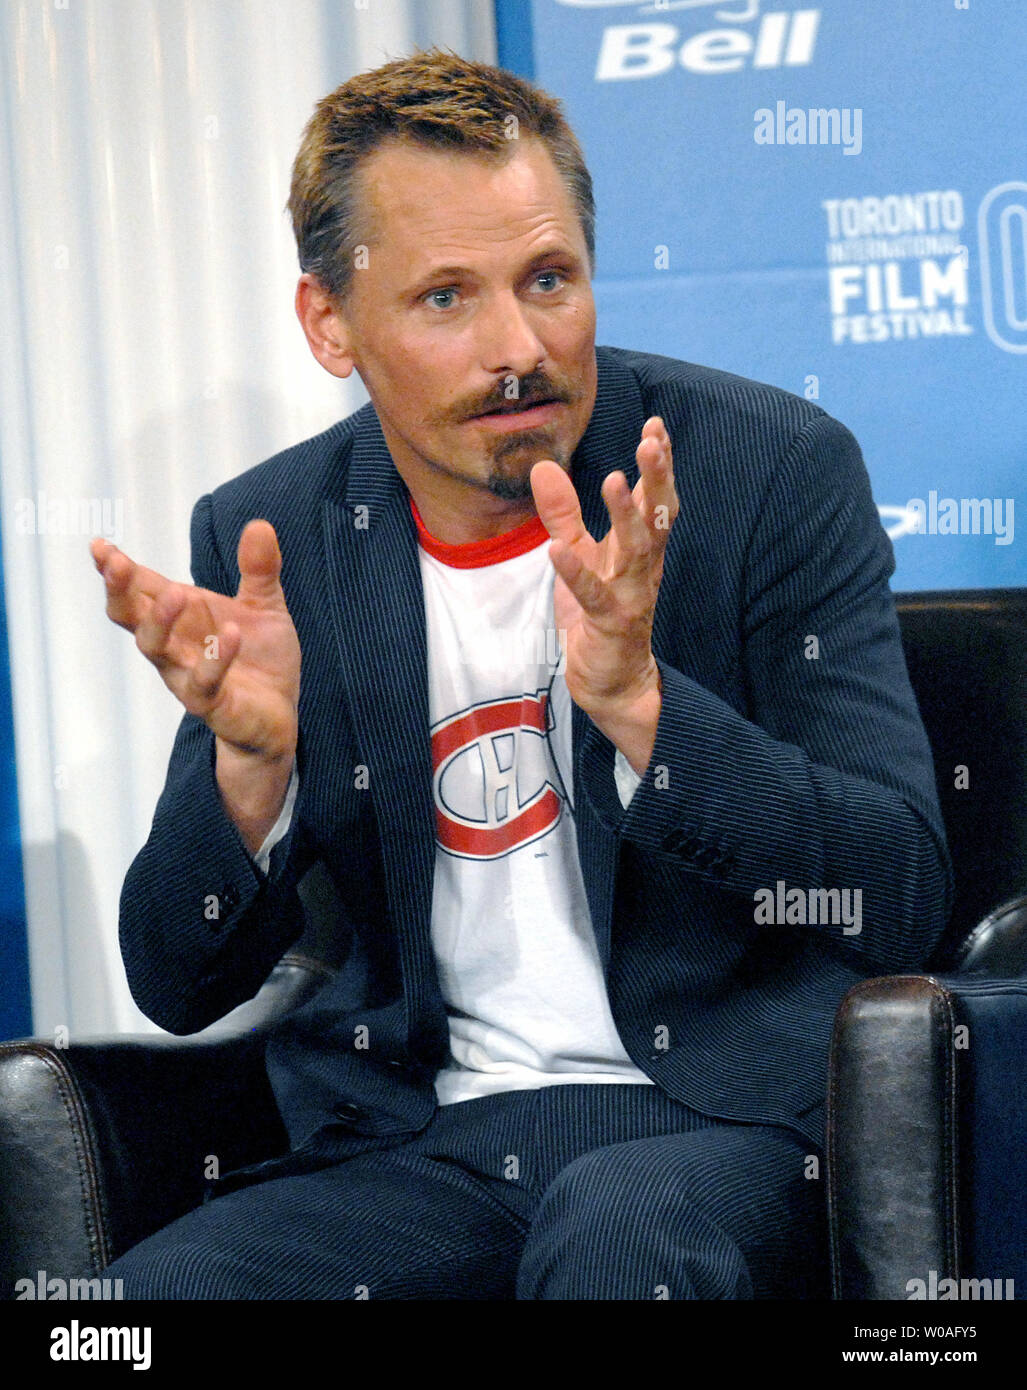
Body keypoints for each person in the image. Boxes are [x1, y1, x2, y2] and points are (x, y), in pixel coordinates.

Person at [91, 48, 951, 1300]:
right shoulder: (276, 536)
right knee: (122, 1322)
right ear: (329, 323)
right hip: (419, 1144)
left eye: (547, 279)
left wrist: (644, 711)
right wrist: (250, 770)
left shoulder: (768, 471)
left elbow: (902, 889)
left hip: (721, 1122)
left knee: (619, 1244)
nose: (515, 347)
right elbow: (177, 980)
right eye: (445, 298)